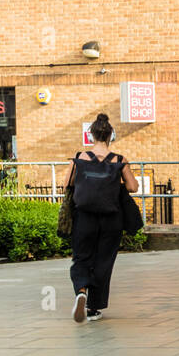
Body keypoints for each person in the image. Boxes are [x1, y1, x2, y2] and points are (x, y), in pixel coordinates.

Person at [66, 112, 139, 323]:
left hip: (84, 216)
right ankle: (93, 308)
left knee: (81, 257)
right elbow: (133, 187)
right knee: (103, 261)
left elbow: (67, 185)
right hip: (111, 218)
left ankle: (81, 290)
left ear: (91, 136)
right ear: (110, 136)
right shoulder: (119, 160)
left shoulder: (79, 158)